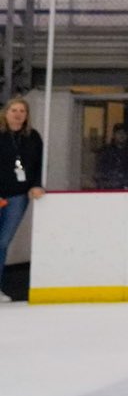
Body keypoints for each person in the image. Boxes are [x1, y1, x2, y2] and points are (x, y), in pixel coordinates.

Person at [0, 94, 45, 301]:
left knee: (3, 241)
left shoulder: (32, 137)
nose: (18, 115)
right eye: (14, 111)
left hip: (17, 196)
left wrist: (36, 184)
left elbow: (37, 165)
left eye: (22, 111)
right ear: (5, 113)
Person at [92, 122, 128, 190]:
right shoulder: (105, 152)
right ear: (114, 135)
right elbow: (98, 173)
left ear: (127, 135)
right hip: (108, 190)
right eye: (119, 133)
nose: (122, 135)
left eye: (124, 133)